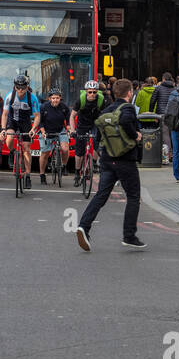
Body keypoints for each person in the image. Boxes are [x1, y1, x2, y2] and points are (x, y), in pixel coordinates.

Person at [75, 77, 145, 252]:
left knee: (101, 195)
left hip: (107, 159)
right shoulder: (127, 108)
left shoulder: (106, 110)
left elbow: (99, 138)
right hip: (125, 160)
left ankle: (84, 226)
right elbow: (126, 122)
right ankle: (129, 235)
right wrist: (135, 135)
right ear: (129, 93)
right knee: (134, 196)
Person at [0, 74, 41, 191]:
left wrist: (33, 129)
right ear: (15, 87)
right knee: (9, 138)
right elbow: (5, 114)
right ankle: (12, 152)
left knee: (27, 149)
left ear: (27, 87)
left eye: (23, 88)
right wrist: (3, 130)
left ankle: (28, 175)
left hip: (26, 123)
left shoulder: (32, 98)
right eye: (18, 88)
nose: (20, 90)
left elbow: (37, 116)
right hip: (12, 121)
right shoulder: (10, 96)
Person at [70, 80, 107, 185]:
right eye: (90, 92)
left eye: (94, 92)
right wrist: (73, 130)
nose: (92, 94)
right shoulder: (80, 100)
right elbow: (72, 116)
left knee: (96, 141)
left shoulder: (101, 100)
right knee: (79, 151)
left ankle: (94, 164)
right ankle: (77, 173)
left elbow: (104, 115)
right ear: (86, 91)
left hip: (95, 123)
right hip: (82, 124)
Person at [37, 88, 71, 185]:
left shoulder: (64, 107)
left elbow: (68, 120)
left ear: (60, 98)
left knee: (65, 149)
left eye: (57, 98)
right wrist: (43, 132)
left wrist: (68, 128)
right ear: (49, 99)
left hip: (60, 130)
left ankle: (64, 166)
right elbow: (40, 122)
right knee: (45, 153)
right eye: (53, 98)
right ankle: (42, 175)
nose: (55, 100)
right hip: (46, 131)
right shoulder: (43, 107)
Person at [152, 72, 176, 163]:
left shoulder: (158, 88)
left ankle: (167, 155)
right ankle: (173, 154)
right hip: (173, 115)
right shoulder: (175, 89)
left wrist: (152, 113)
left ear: (163, 79)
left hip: (162, 114)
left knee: (165, 135)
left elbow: (153, 101)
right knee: (172, 134)